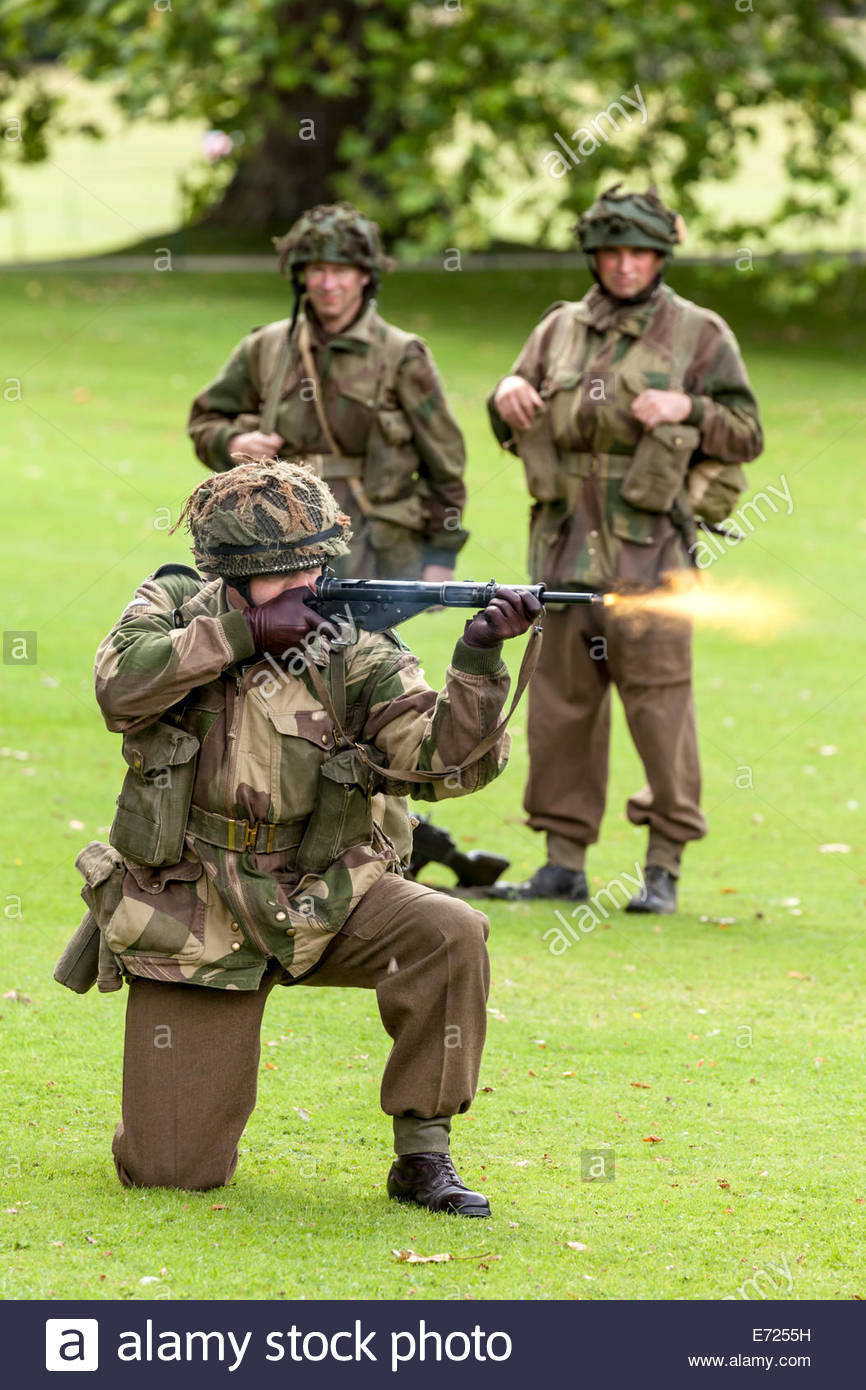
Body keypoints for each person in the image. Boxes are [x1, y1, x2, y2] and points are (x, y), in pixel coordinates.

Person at [71, 460, 539, 1216]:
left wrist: (480, 661)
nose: (306, 583)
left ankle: (424, 1156)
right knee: (171, 1172)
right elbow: (119, 687)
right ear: (231, 575)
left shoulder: (354, 645)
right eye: (281, 575)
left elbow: (440, 766)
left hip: (328, 893)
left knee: (449, 930)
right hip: (197, 909)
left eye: (314, 565)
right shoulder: (172, 605)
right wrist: (245, 634)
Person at [487, 185, 763, 913]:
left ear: (661, 256)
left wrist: (690, 409)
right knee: (559, 707)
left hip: (651, 561)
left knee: (660, 709)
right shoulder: (560, 330)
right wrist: (506, 391)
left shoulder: (699, 333)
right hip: (562, 556)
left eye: (639, 251)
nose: (625, 264)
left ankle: (663, 867)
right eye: (612, 251)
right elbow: (513, 403)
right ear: (594, 256)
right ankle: (561, 862)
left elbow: (747, 430)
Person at [187, 203, 468, 582]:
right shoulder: (266, 346)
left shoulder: (401, 355)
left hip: (369, 552)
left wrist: (441, 556)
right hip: (272, 550)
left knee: (363, 643)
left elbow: (445, 463)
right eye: (317, 269)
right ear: (301, 275)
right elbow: (204, 420)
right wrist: (236, 441)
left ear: (365, 276)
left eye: (340, 270)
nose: (327, 283)